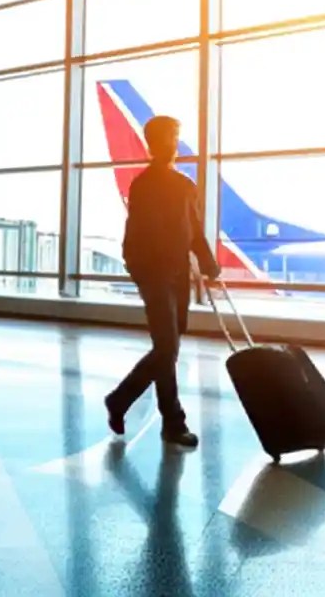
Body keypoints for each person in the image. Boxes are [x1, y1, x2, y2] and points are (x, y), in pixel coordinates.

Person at [104, 115, 220, 449]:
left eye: (176, 136)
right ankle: (172, 421)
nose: (174, 142)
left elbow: (194, 231)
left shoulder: (185, 186)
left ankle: (121, 400)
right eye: (170, 136)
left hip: (178, 274)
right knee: (167, 347)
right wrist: (137, 267)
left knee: (168, 347)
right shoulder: (143, 185)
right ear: (154, 143)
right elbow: (135, 231)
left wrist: (210, 265)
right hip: (153, 274)